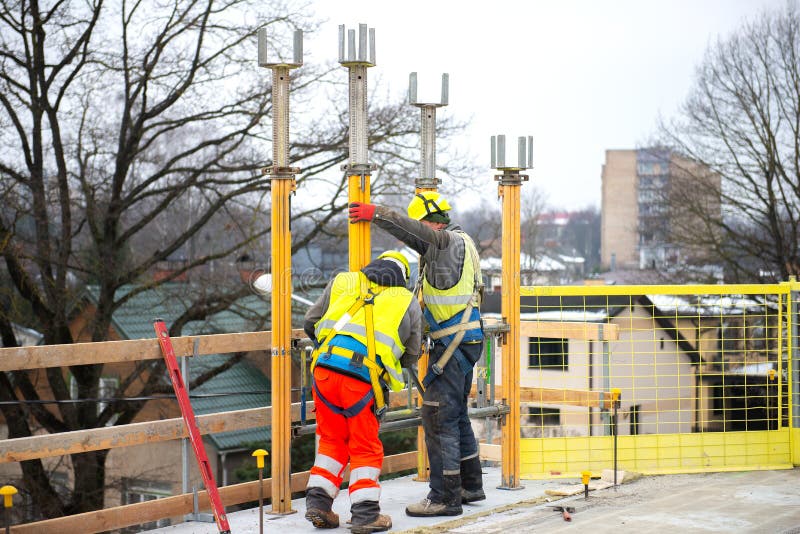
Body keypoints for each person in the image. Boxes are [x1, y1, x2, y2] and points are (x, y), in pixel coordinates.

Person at [349, 192, 486, 518]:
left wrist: (377, 214)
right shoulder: (465, 242)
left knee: (438, 418)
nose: (423, 233)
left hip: (452, 344)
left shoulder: (445, 242)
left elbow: (414, 232)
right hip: (465, 340)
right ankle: (470, 485)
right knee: (455, 416)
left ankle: (444, 497)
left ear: (432, 221)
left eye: (424, 224)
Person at [303, 251, 422, 533]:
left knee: (331, 440)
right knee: (364, 446)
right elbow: (412, 354)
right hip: (361, 380)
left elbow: (311, 322)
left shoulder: (343, 281)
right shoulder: (406, 300)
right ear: (404, 279)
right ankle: (366, 516)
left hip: (325, 371)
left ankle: (318, 504)